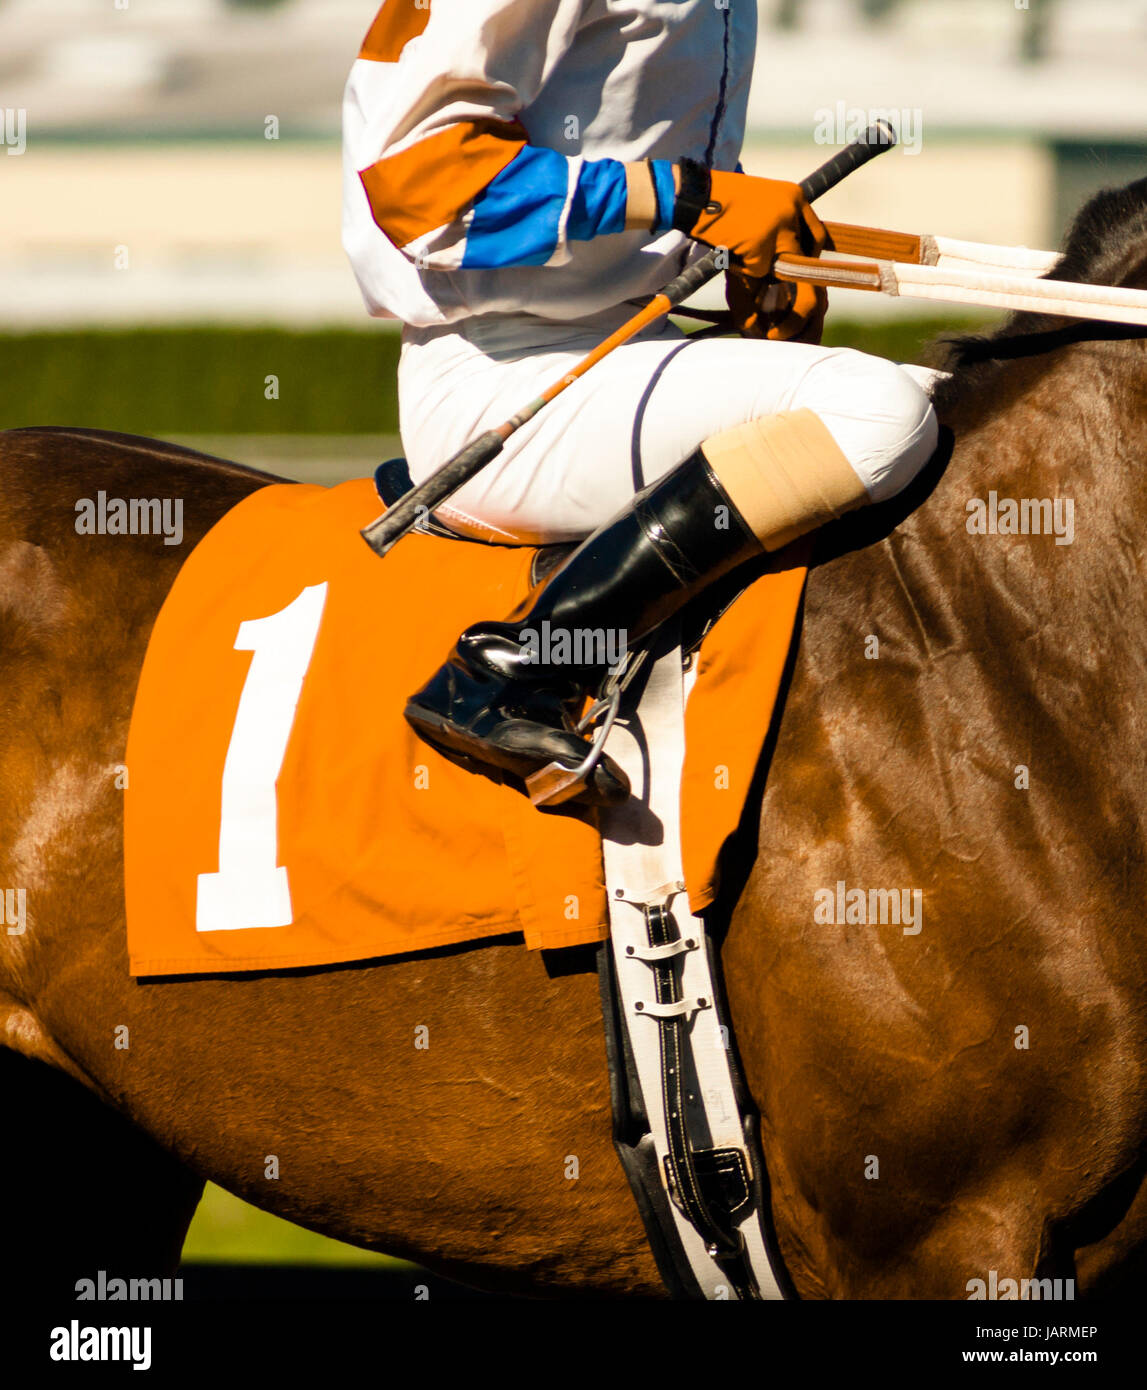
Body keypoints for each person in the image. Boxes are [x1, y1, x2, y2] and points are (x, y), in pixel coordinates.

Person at [342, 0, 938, 806]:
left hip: (626, 346)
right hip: (498, 377)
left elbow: (631, 188)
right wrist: (691, 197)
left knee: (954, 404)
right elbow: (420, 188)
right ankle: (515, 672)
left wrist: (740, 271)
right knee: (876, 409)